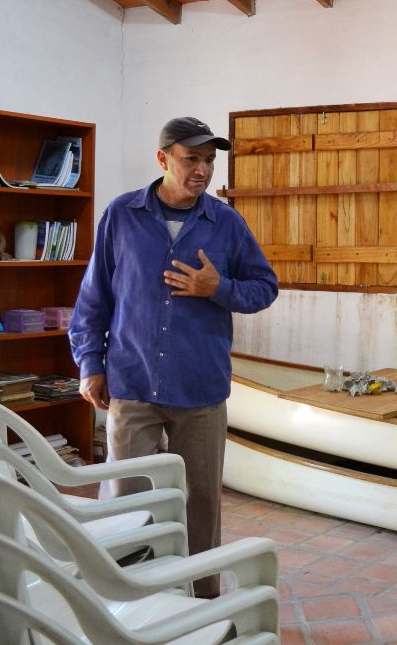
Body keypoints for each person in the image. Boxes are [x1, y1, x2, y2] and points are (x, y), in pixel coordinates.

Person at [70, 116, 278, 597]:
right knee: (126, 499)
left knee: (200, 502)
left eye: (209, 160)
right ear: (163, 158)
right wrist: (90, 365)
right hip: (132, 382)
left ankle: (201, 601)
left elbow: (264, 288)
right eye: (192, 159)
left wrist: (217, 288)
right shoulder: (121, 216)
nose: (203, 169)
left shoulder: (226, 223)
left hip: (199, 388)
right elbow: (94, 298)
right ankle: (127, 597)